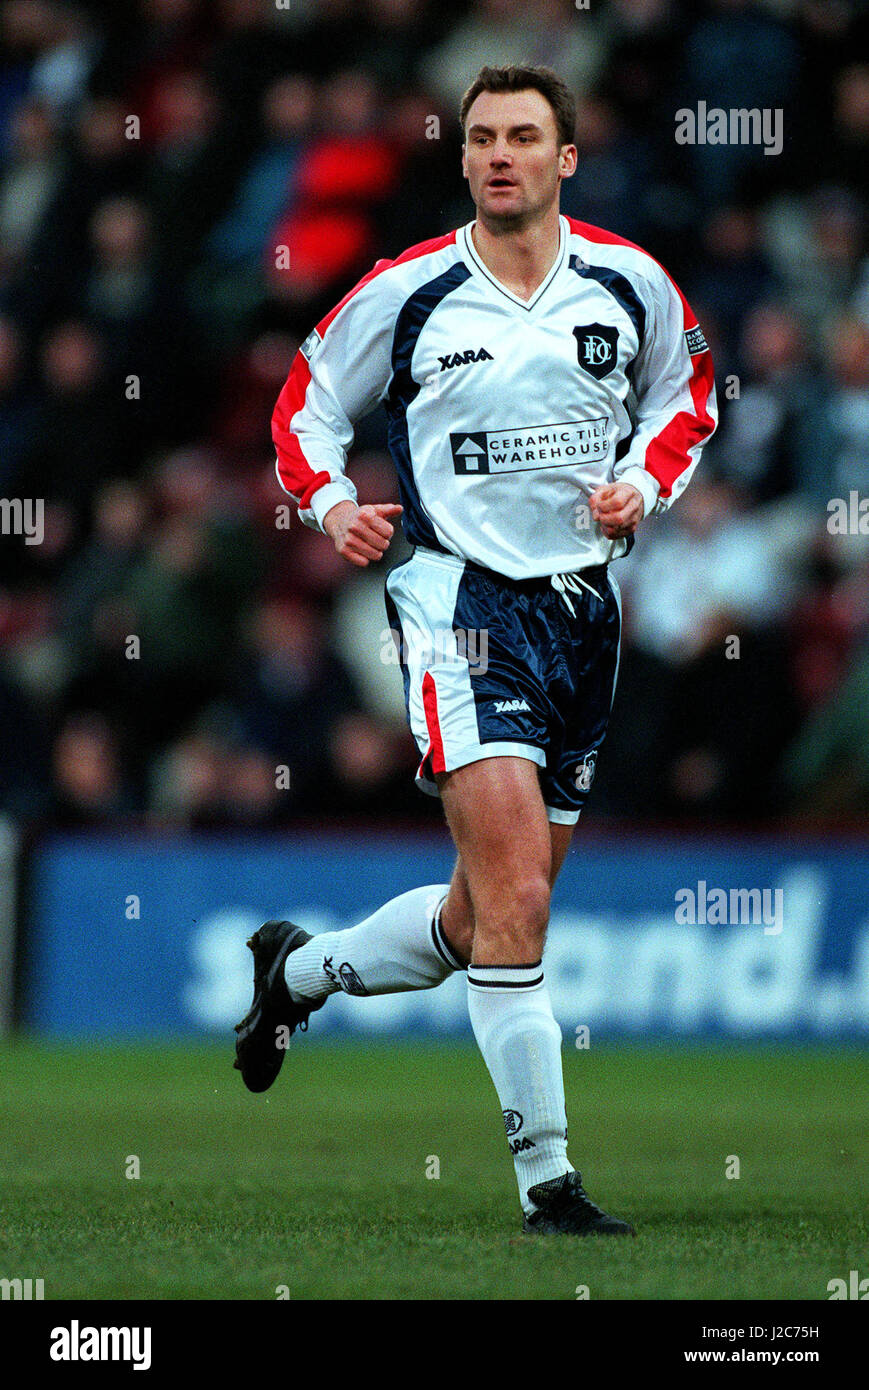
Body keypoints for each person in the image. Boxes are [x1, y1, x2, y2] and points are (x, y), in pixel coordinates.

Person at [234, 65, 717, 1236]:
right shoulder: (406, 292)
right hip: (459, 607)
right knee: (517, 901)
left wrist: (644, 484)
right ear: (461, 160)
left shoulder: (627, 281)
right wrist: (329, 503)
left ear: (564, 159)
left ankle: (293, 975)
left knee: (482, 920)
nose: (499, 153)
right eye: (481, 137)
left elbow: (688, 391)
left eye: (523, 137)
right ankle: (546, 1181)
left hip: (583, 617)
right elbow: (304, 401)